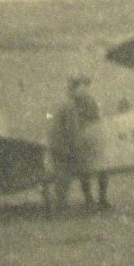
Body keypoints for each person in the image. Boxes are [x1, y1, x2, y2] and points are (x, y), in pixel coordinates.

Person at [47, 74, 108, 212]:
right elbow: (71, 127)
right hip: (74, 142)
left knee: (101, 170)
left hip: (88, 139)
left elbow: (96, 119)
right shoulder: (69, 105)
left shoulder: (89, 102)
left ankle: (101, 199)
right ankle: (87, 199)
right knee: (75, 173)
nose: (84, 89)